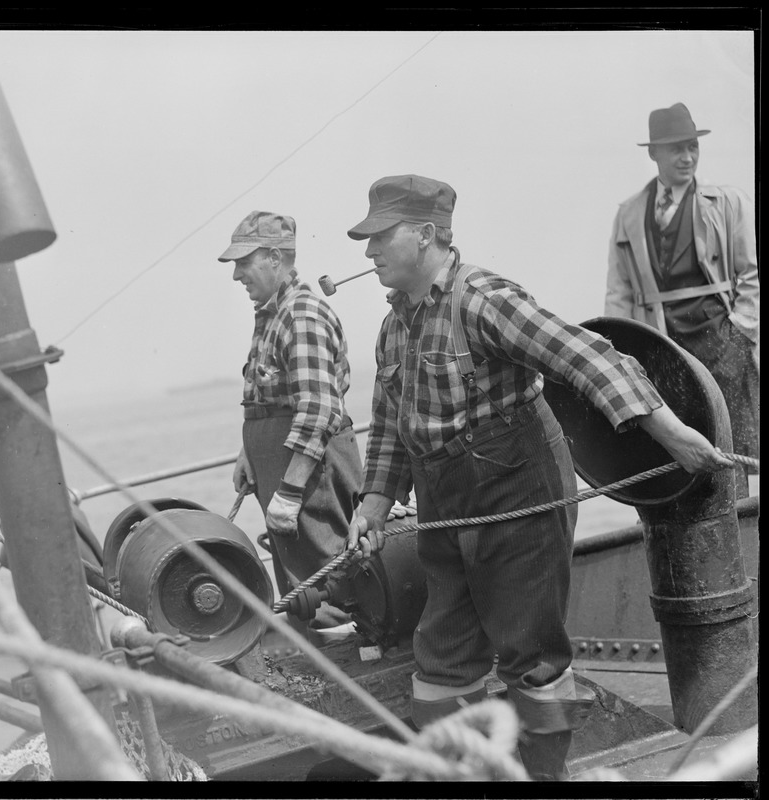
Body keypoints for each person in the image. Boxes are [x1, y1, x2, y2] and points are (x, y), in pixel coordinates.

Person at [343, 174, 732, 780]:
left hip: (517, 493)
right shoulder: (396, 326)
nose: (367, 252)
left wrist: (673, 434)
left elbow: (589, 357)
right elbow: (391, 426)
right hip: (445, 510)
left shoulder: (484, 300)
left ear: (424, 236)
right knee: (440, 665)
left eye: (378, 237)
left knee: (532, 657)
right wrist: (372, 502)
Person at [219, 210, 363, 632]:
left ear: (276, 258)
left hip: (308, 470)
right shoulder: (271, 314)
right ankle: (333, 650)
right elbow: (271, 394)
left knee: (334, 580)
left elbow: (318, 408)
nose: (237, 276)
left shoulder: (301, 315)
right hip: (279, 464)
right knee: (307, 589)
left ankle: (363, 660)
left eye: (244, 263)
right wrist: (249, 452)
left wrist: (290, 489)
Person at [605, 103, 759, 497]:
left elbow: (752, 276)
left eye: (692, 146)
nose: (687, 157)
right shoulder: (629, 214)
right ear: (653, 153)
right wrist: (620, 354)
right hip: (663, 347)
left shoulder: (728, 203)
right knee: (675, 448)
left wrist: (739, 335)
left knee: (728, 452)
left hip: (720, 343)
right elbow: (619, 293)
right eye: (676, 149)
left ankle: (735, 531)